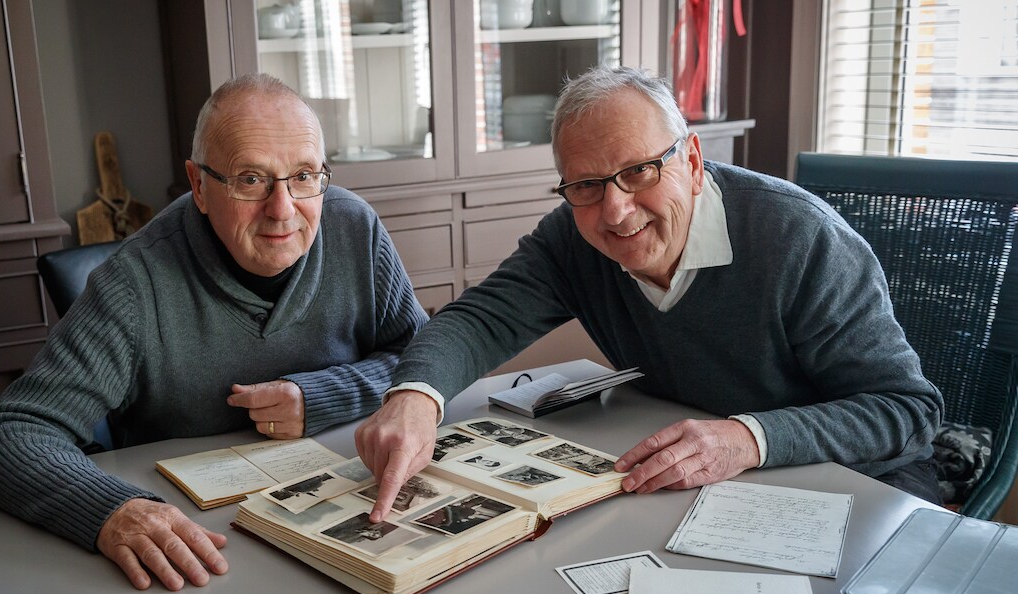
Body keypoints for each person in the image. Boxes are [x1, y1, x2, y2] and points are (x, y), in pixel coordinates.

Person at [355, 65, 943, 523]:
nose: (615, 209)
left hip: (856, 484)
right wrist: (415, 395)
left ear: (690, 159)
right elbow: (480, 321)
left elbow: (907, 413)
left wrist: (748, 438)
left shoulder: (801, 238)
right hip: (695, 481)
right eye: (585, 185)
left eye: (639, 171)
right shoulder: (573, 235)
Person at [0, 74, 427, 590]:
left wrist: (318, 398)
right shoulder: (133, 284)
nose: (282, 208)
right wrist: (112, 510)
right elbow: (6, 436)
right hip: (199, 546)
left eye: (303, 176)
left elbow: (420, 356)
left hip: (347, 508)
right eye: (251, 179)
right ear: (200, 185)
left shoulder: (353, 226)